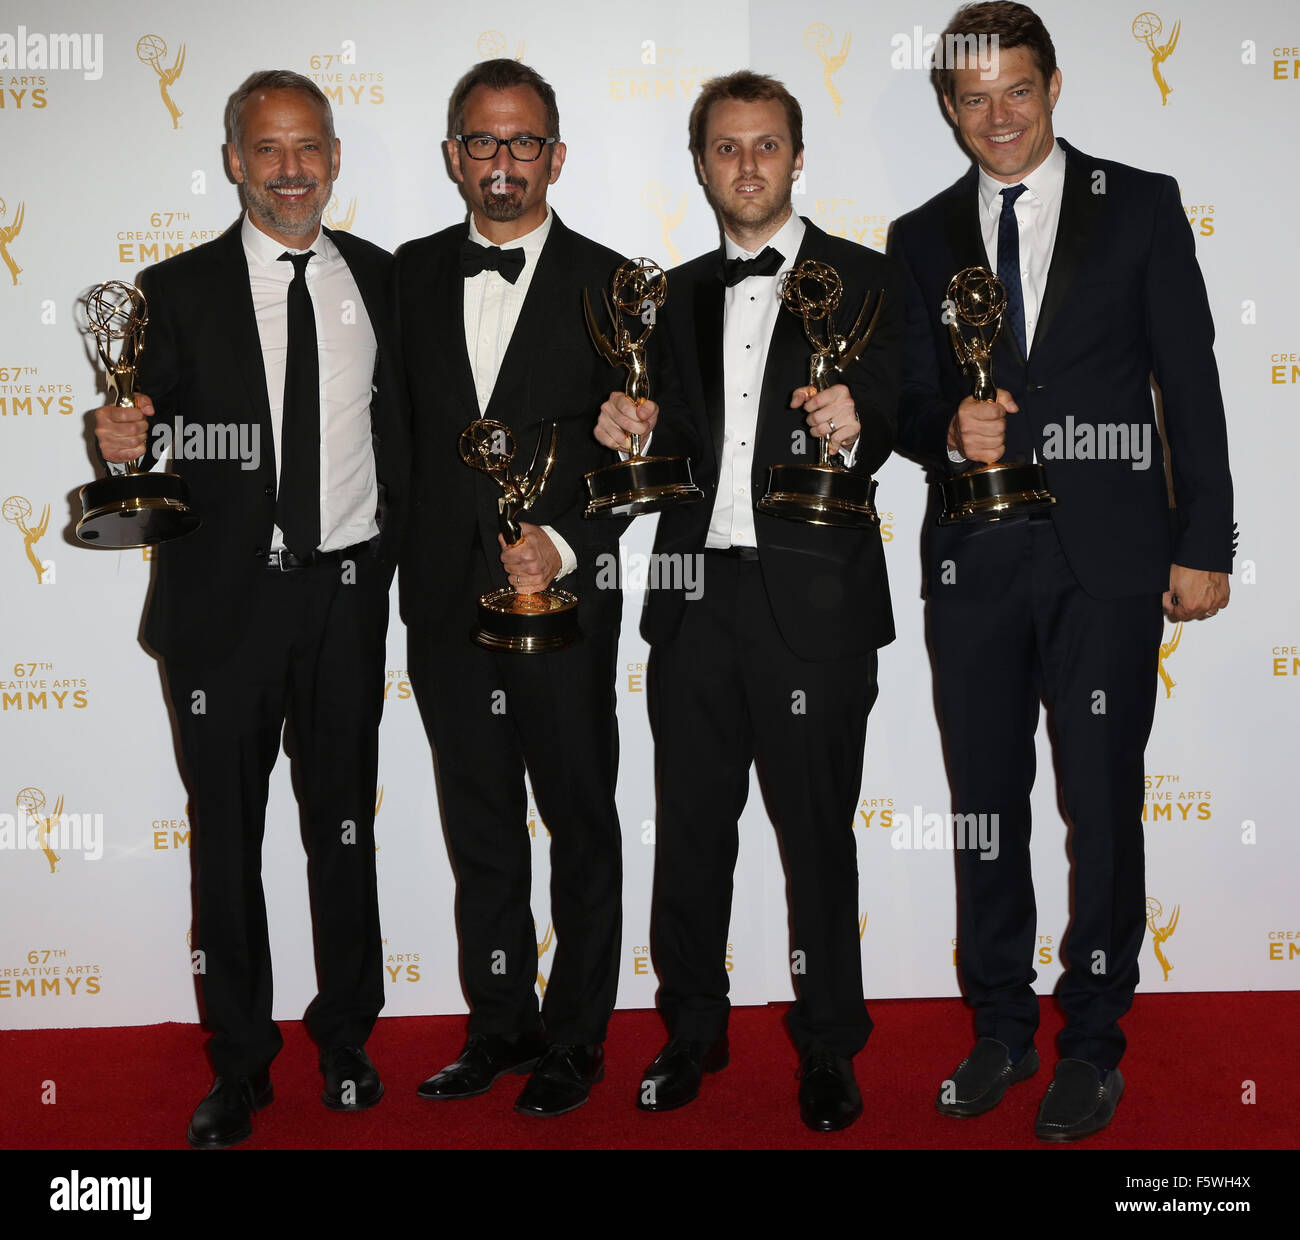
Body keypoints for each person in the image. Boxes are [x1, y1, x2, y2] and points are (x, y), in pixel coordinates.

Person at [889, 1, 1232, 1140]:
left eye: (1016, 90)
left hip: (1110, 555)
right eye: (972, 96)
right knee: (985, 808)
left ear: (1053, 86)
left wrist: (1202, 540)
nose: (997, 116)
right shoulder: (919, 235)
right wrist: (948, 430)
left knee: (1101, 807)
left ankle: (1090, 1040)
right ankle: (998, 1027)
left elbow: (1187, 381)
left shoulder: (1135, 204)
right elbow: (901, 402)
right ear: (946, 104)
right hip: (975, 561)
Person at [93, 70, 407, 1149]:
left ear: (333, 157)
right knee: (224, 843)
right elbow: (147, 428)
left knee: (345, 833)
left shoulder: (382, 280)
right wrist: (126, 440)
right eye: (267, 149)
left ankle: (349, 1038)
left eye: (308, 147)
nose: (289, 170)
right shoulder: (173, 291)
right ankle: (240, 1062)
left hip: (347, 600)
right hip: (221, 611)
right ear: (234, 160)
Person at [597, 70, 902, 1132]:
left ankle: (827, 1044)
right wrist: (632, 429)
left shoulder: (867, 280)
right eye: (726, 148)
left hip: (813, 607)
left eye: (765, 145)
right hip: (692, 601)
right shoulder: (671, 294)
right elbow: (676, 442)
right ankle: (691, 1030)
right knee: (690, 830)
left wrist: (855, 424)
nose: (747, 166)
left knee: (817, 833)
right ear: (701, 163)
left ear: (798, 155)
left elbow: (905, 408)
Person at [396, 60, 628, 1117]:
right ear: (453, 155)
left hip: (566, 613)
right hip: (446, 605)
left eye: (523, 142)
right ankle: (500, 1024)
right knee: (478, 822)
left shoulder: (618, 286)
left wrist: (566, 547)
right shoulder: (398, 277)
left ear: (556, 156)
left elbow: (641, 458)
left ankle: (576, 1037)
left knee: (578, 820)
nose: (502, 163)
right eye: (482, 143)